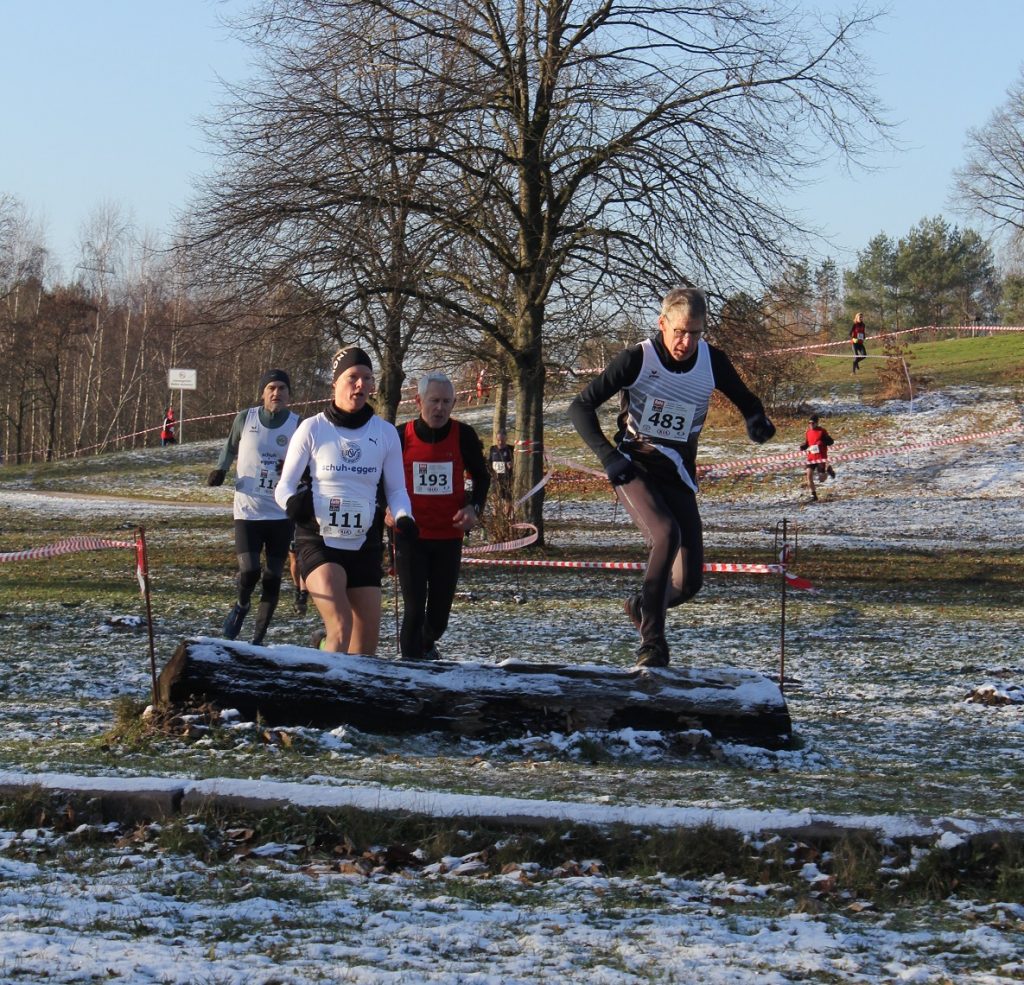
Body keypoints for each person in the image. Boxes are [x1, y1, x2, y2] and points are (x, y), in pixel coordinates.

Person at [569, 286, 776, 668]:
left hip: (678, 474)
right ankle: (653, 644)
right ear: (662, 324)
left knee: (688, 583)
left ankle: (640, 604)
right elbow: (580, 407)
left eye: (694, 333)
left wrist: (756, 421)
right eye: (679, 331)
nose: (685, 341)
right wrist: (609, 458)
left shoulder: (711, 361)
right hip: (634, 467)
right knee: (665, 534)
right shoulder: (637, 359)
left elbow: (747, 399)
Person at [275, 346, 416, 655]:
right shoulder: (312, 429)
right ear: (335, 384)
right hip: (318, 540)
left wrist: (405, 516)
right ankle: (322, 700)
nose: (361, 385)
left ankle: (324, 651)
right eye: (353, 377)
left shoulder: (386, 433)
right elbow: (283, 485)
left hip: (365, 544)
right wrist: (293, 503)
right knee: (340, 624)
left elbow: (396, 490)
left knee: (364, 651)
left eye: (368, 378)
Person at [389, 371, 490, 660]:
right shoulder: (400, 435)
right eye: (434, 401)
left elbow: (482, 479)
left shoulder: (464, 435)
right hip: (411, 536)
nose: (440, 408)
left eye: (447, 402)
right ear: (418, 401)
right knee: (414, 609)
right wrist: (386, 507)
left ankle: (426, 646)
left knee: (438, 618)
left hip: (448, 536)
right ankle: (410, 676)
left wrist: (474, 508)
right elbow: (382, 478)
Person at [207, 369, 301, 644]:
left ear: (288, 394)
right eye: (271, 387)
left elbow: (308, 458)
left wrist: (297, 471)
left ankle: (258, 638)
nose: (277, 393)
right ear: (263, 392)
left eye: (282, 388)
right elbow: (230, 446)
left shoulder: (297, 424)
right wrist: (220, 469)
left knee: (272, 577)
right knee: (249, 571)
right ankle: (242, 604)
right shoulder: (245, 418)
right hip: (247, 510)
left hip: (280, 512)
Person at [800, 414, 836, 502]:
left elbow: (831, 441)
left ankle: (828, 471)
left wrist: (825, 440)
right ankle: (814, 495)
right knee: (809, 475)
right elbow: (808, 443)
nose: (811, 425)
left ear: (816, 423)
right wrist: (804, 446)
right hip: (811, 457)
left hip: (821, 457)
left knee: (822, 479)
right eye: (809, 423)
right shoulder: (808, 432)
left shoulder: (822, 431)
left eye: (812, 423)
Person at [488, 429, 514, 502]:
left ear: (506, 439)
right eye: (498, 440)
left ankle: (506, 513)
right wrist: (491, 472)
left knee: (508, 500)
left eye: (502, 440)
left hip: (507, 479)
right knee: (495, 500)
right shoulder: (492, 449)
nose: (500, 442)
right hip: (495, 479)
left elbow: (516, 462)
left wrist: (512, 464)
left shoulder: (511, 449)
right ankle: (496, 513)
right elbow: (489, 462)